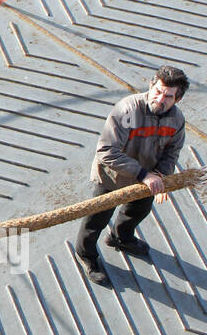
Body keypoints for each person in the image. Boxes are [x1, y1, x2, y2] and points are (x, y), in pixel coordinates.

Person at [75, 66, 189, 286]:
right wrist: (144, 174)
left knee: (138, 211)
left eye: (168, 96)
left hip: (147, 179)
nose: (160, 98)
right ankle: (87, 256)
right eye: (157, 91)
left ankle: (120, 238)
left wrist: (160, 175)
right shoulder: (127, 110)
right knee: (95, 220)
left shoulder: (176, 120)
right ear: (151, 86)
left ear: (178, 98)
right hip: (112, 177)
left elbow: (172, 151)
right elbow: (106, 151)